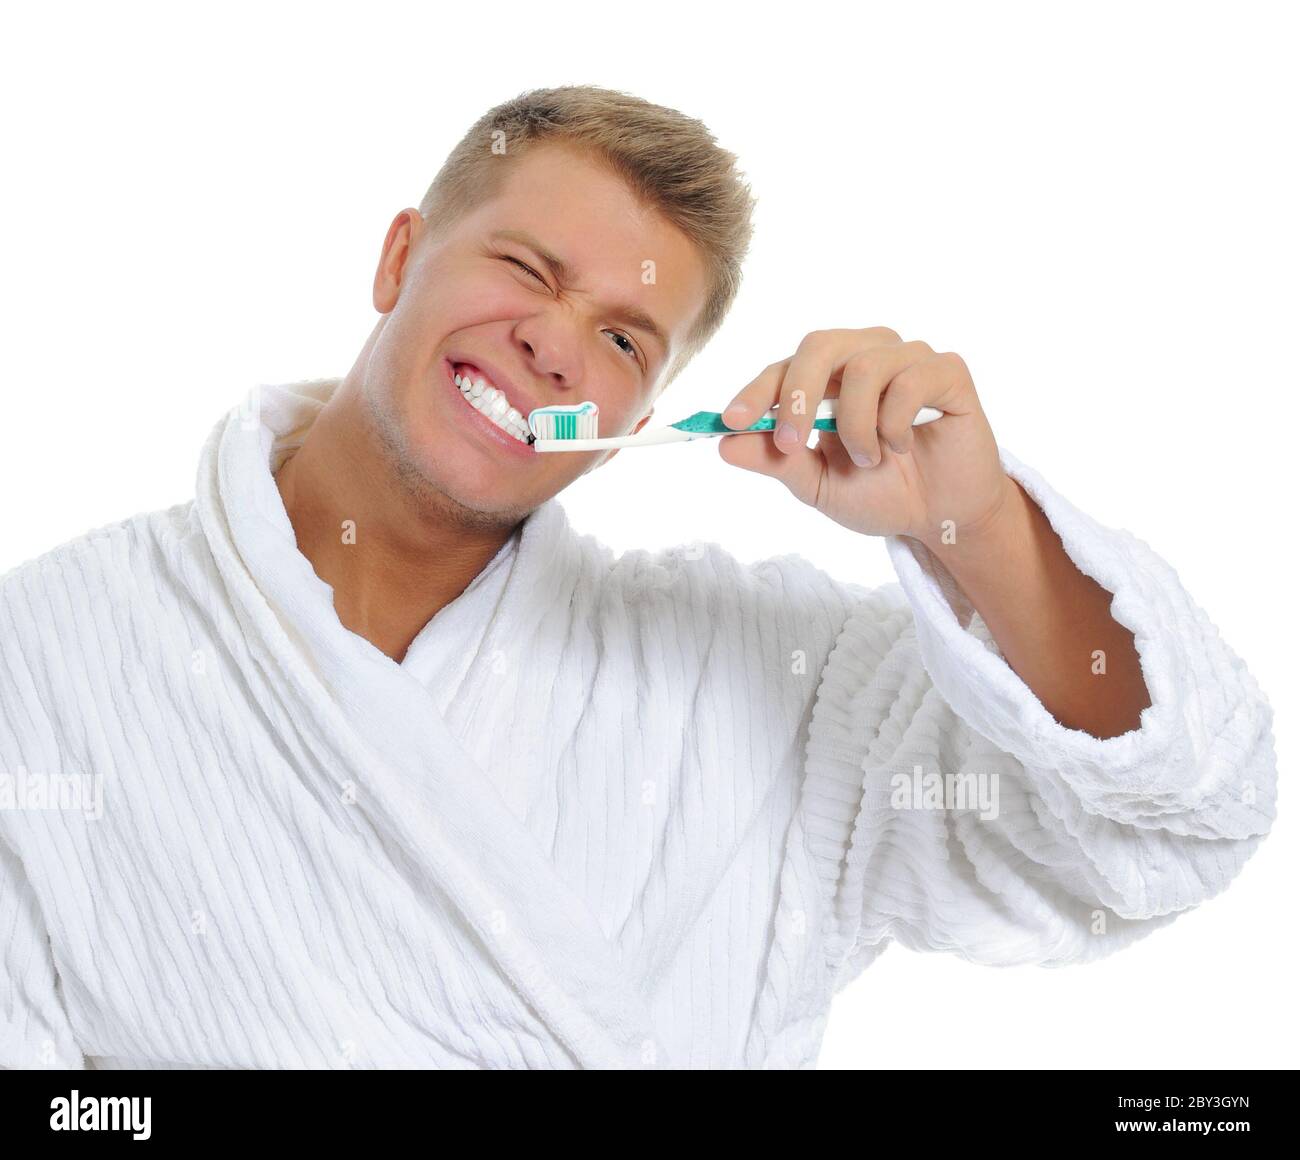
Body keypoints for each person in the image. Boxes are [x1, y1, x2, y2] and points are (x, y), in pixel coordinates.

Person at [0, 85, 1276, 1070]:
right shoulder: (47, 658)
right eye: (523, 269)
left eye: (622, 335)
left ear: (643, 405)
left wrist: (975, 524)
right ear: (399, 258)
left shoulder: (766, 674)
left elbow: (1169, 826)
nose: (554, 345)